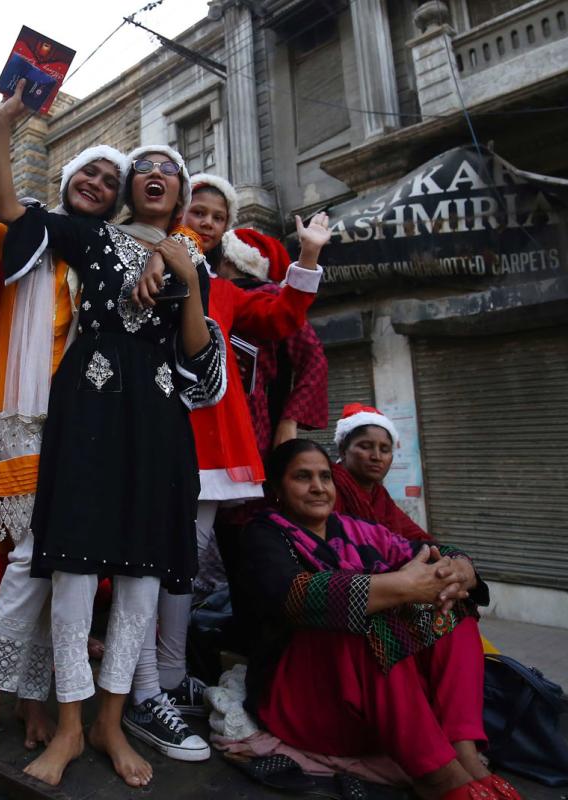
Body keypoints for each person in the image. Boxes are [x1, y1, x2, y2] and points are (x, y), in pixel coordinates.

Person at [0, 81, 228, 787]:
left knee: (142, 577)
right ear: (131, 185)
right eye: (144, 166)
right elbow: (10, 214)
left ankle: (111, 722)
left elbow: (196, 365)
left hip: (157, 422)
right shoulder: (89, 233)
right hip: (89, 407)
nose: (157, 173)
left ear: (181, 195)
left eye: (171, 169)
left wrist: (184, 268)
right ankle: (69, 726)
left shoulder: (194, 262)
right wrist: (4, 130)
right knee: (72, 565)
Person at [0, 140, 125, 752]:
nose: (98, 182)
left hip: (83, 420)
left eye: (111, 179)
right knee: (29, 552)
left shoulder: (106, 255)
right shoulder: (18, 229)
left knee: (55, 560)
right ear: (66, 178)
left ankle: (28, 693)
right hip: (19, 410)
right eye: (90, 169)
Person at [137, 175, 328, 744]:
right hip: (145, 433)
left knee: (184, 566)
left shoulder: (224, 292)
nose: (209, 221)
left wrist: (309, 257)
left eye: (219, 217)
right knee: (143, 563)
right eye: (200, 210)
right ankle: (141, 687)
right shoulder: (137, 261)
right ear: (179, 210)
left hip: (207, 446)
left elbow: (281, 320)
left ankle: (168, 677)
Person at [234, 439, 520, 800]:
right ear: (276, 488)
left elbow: (426, 550)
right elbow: (292, 595)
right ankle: (437, 776)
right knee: (355, 614)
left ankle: (464, 750)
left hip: (381, 715)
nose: (319, 487)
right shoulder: (263, 536)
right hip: (307, 705)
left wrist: (461, 568)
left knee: (454, 607)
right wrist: (398, 586)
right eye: (302, 477)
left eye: (325, 476)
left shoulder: (357, 530)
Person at [217, 227, 328, 460]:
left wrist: (289, 420)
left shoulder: (272, 300)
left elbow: (314, 361)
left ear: (228, 258)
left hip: (255, 422)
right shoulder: (209, 295)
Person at [332, 403, 432, 542]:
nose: (376, 457)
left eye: (385, 450)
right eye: (365, 447)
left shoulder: (380, 498)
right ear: (343, 450)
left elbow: (419, 538)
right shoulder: (327, 491)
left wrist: (454, 555)